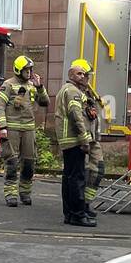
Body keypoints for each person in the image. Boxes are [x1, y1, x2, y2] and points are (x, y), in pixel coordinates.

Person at [0, 55, 48, 207]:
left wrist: (40, 87)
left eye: (31, 69)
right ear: (19, 70)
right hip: (12, 128)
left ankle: (25, 192)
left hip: (29, 129)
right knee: (11, 162)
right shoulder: (8, 85)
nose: (30, 72)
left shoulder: (32, 85)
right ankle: (11, 193)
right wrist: (3, 127)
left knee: (29, 163)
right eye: (27, 70)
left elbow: (44, 102)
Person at [56, 60, 96, 227]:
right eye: (80, 74)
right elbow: (76, 116)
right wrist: (85, 139)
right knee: (77, 179)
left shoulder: (66, 89)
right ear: (71, 76)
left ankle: (70, 214)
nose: (84, 76)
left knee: (69, 178)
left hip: (67, 140)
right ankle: (78, 215)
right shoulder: (73, 91)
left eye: (85, 74)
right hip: (74, 140)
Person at [81, 76, 106, 216]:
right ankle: (81, 204)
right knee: (82, 173)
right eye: (84, 75)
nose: (87, 78)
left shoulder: (89, 93)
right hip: (82, 139)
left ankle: (87, 202)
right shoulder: (74, 94)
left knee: (98, 169)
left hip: (93, 139)